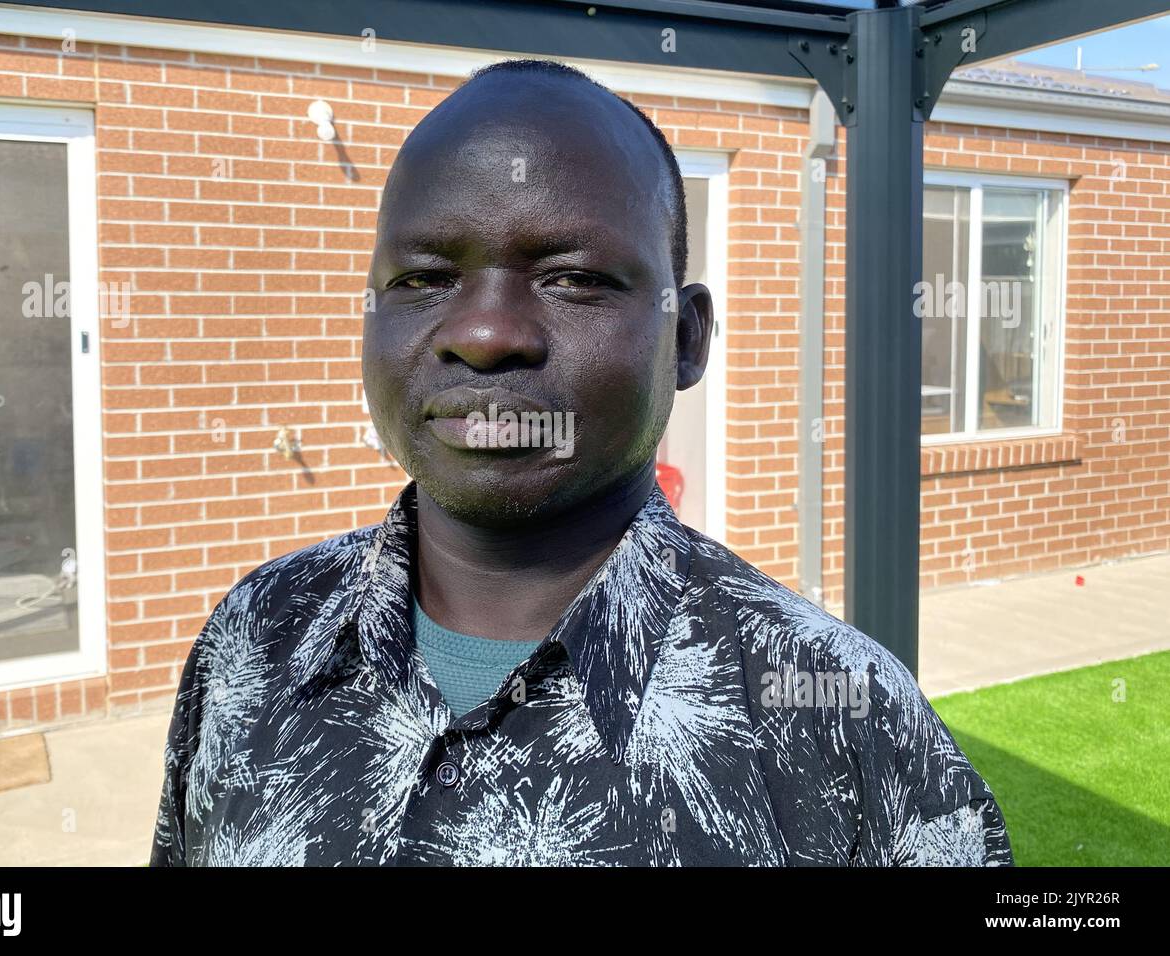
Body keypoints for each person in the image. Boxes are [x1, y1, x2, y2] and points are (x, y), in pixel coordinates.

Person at [150, 59, 1012, 866]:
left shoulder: (841, 711)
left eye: (573, 278)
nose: (484, 335)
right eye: (422, 279)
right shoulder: (253, 637)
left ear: (686, 337)